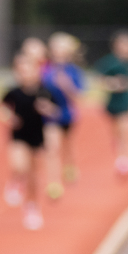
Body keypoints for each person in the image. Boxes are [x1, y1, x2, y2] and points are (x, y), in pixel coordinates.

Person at [0, 52, 57, 231]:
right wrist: (9, 118)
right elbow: (1, 107)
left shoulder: (44, 90)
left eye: (29, 70)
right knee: (19, 165)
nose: (25, 74)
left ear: (37, 71)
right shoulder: (13, 91)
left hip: (37, 136)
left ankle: (32, 207)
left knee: (34, 175)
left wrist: (47, 109)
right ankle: (15, 180)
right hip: (19, 135)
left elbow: (55, 112)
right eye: (21, 71)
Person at [42, 32, 85, 198]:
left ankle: (70, 165)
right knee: (52, 149)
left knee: (67, 145)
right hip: (49, 115)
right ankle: (53, 182)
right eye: (55, 48)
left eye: (61, 48)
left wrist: (66, 85)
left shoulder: (73, 71)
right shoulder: (45, 69)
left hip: (67, 113)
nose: (57, 52)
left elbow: (79, 95)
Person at [95, 30, 128, 177]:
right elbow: (101, 80)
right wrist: (114, 84)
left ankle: (125, 161)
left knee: (127, 130)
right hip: (114, 102)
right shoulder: (110, 62)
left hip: (127, 101)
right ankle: (121, 155)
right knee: (117, 133)